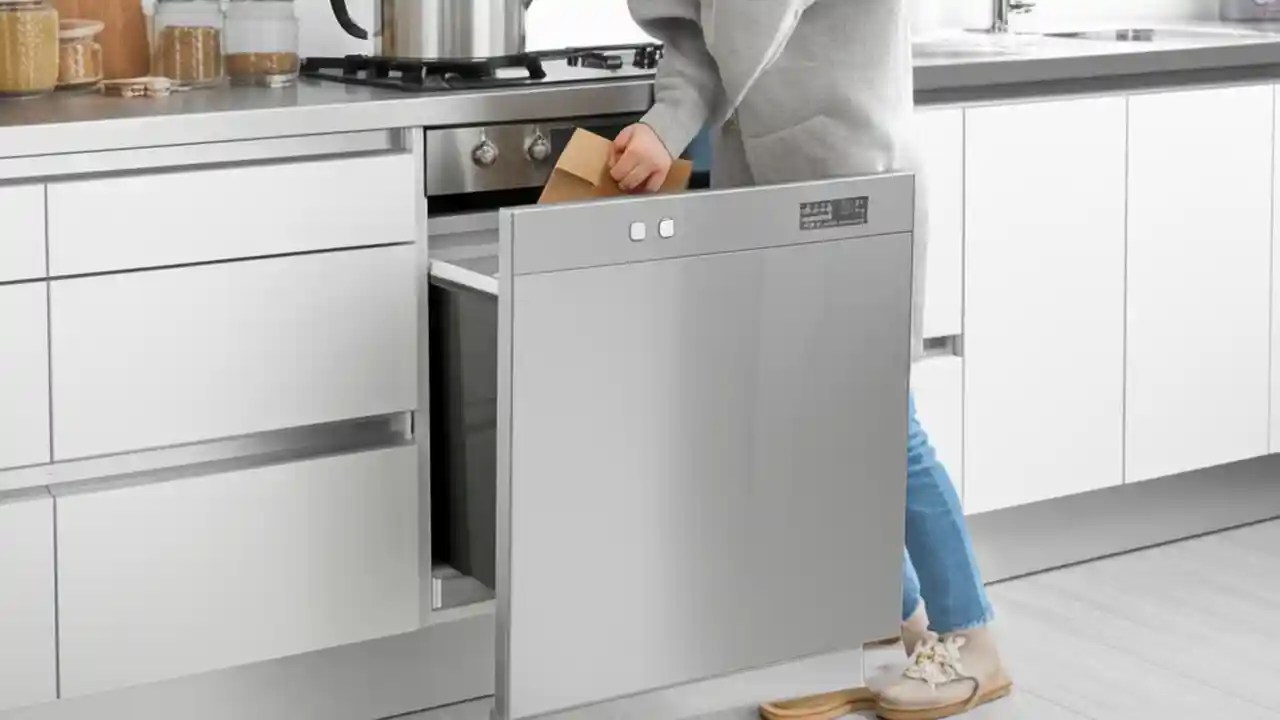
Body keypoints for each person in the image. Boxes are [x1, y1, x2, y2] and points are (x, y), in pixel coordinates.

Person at [612, 2, 1010, 719]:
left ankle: (972, 638)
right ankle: (897, 632)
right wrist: (661, 125)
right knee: (805, 429)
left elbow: (745, 25)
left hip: (855, 181)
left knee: (876, 419)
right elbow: (700, 38)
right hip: (765, 192)